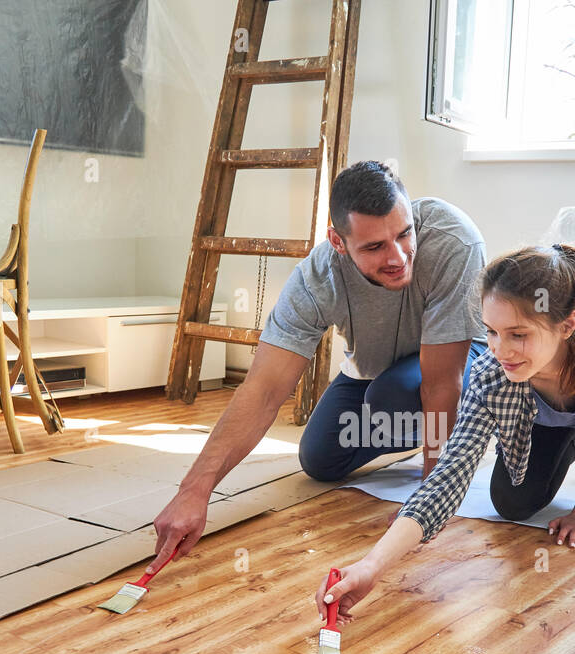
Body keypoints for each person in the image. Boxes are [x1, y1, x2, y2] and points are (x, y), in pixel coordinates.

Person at [314, 243, 575, 625]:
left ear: (567, 325)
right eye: (491, 331)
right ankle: (566, 440)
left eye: (518, 334)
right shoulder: (494, 372)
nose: (500, 350)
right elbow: (449, 476)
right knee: (512, 502)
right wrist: (371, 566)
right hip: (550, 408)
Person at [148, 161, 490, 572]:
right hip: (374, 367)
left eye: (404, 234)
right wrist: (193, 492)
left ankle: (458, 434)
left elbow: (441, 383)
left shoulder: (454, 241)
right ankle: (420, 430)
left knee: (396, 395)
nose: (399, 256)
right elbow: (263, 390)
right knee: (320, 459)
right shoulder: (316, 279)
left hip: (457, 363)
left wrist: (430, 502)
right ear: (338, 242)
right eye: (375, 247)